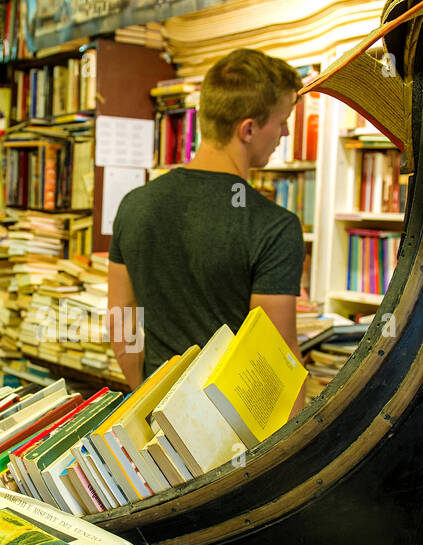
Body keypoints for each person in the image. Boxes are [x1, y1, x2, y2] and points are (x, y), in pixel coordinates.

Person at [108, 48, 307, 409]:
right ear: (248, 129)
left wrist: (148, 394)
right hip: (230, 436)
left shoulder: (134, 205)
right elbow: (278, 362)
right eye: (282, 121)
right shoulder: (273, 226)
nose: (285, 132)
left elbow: (121, 322)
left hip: (151, 429)